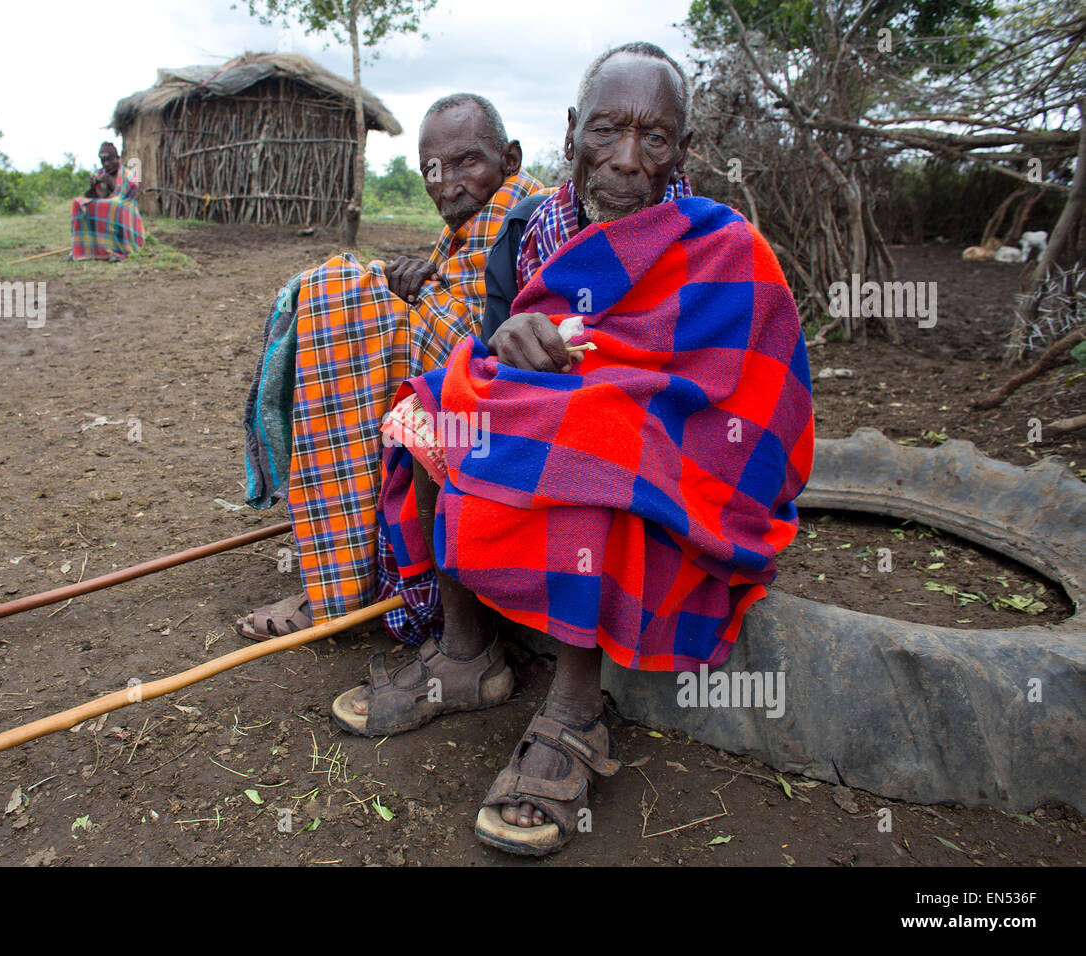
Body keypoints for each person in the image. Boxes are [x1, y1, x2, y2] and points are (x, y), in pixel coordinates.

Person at [335, 43, 815, 857]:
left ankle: (575, 710)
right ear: (571, 135)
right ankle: (465, 655)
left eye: (655, 138)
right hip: (568, 409)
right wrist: (514, 339)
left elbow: (758, 395)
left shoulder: (725, 246)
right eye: (608, 131)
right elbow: (504, 342)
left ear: (682, 151)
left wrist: (610, 387)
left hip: (681, 442)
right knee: (439, 406)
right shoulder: (534, 227)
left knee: (596, 437)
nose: (628, 161)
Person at [240, 95, 543, 642]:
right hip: (470, 396)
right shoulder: (468, 227)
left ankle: (339, 586)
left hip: (514, 413)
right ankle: (342, 558)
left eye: (467, 162)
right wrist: (423, 282)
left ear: (511, 159)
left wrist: (417, 294)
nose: (447, 183)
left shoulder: (527, 220)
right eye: (433, 168)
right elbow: (460, 295)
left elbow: (493, 336)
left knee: (343, 304)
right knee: (351, 296)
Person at [70, 142, 145, 261]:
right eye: (103, 161)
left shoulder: (129, 177)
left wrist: (112, 186)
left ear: (117, 158)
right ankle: (83, 249)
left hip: (125, 214)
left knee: (112, 206)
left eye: (109, 160)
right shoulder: (99, 174)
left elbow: (123, 201)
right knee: (78, 203)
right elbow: (95, 200)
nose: (106, 164)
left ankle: (117, 250)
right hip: (107, 211)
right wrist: (93, 188)